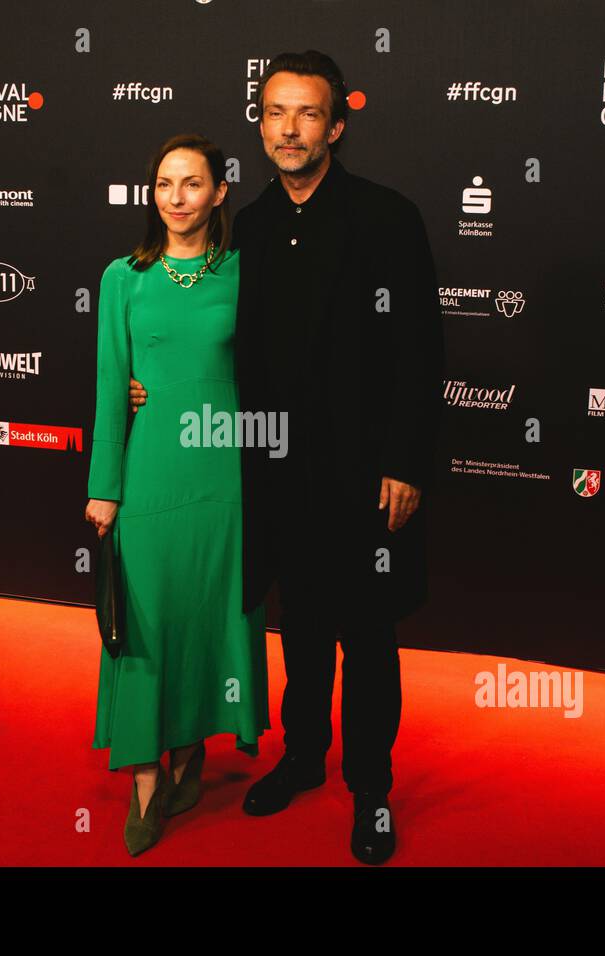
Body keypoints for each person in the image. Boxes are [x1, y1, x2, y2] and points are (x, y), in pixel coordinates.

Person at [129, 51, 443, 865]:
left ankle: (370, 790)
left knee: (366, 636)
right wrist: (153, 385)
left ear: (335, 126)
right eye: (275, 112)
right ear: (260, 124)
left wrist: (406, 462)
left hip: (367, 475)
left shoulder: (387, 217)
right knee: (299, 629)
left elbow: (419, 350)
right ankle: (303, 758)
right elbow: (208, 332)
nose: (290, 129)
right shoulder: (251, 230)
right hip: (276, 472)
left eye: (308, 113)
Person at [85, 134, 270, 857]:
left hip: (224, 477)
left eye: (192, 184)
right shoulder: (123, 278)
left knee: (206, 616)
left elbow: (272, 374)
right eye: (164, 183)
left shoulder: (245, 274)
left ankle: (191, 753)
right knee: (146, 624)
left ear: (219, 192)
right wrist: (105, 488)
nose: (177, 197)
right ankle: (145, 779)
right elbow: (111, 384)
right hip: (152, 471)